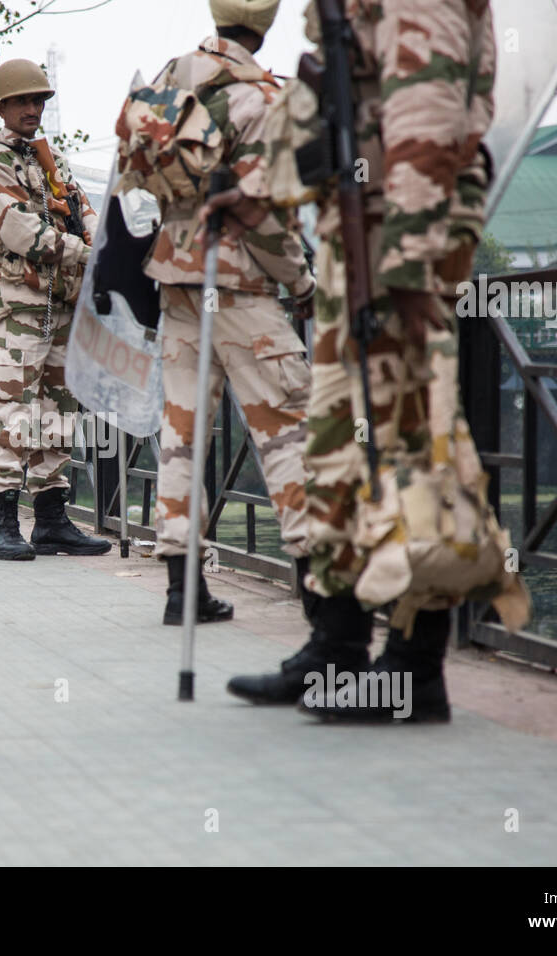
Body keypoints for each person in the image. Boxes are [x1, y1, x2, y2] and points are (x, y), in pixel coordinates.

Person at [219, 0, 503, 721]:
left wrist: (407, 265)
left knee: (410, 450)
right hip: (354, 240)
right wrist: (257, 195)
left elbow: (427, 106)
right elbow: (334, 100)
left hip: (397, 246)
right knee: (338, 451)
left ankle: (412, 667)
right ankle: (338, 648)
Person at [124, 0, 317, 626]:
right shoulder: (262, 98)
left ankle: (183, 592)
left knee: (182, 434)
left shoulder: (174, 74)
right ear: (266, 25)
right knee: (286, 428)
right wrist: (303, 280)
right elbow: (261, 213)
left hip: (177, 280)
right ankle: (323, 595)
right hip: (239, 288)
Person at [0, 59, 111, 559]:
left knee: (59, 411)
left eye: (39, 100)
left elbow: (85, 212)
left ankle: (50, 519)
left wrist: (100, 238)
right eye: (23, 100)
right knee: (12, 411)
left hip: (61, 301)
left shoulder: (53, 162)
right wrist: (89, 252)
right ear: (1, 105)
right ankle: (1, 524)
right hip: (20, 303)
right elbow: (21, 233)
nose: (33, 108)